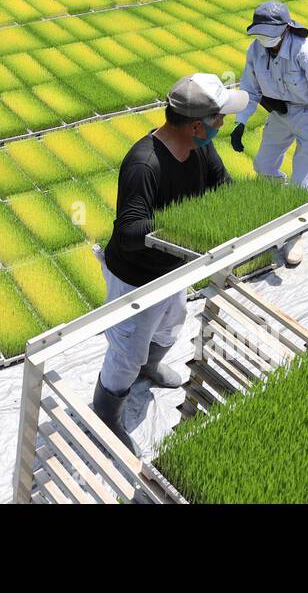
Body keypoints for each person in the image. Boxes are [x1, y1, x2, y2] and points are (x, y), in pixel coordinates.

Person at [91, 73, 248, 453]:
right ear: (197, 125)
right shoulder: (144, 164)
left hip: (174, 267)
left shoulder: (200, 149)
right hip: (136, 277)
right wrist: (184, 224)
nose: (222, 125)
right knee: (126, 350)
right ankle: (105, 413)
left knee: (172, 322)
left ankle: (150, 367)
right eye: (218, 119)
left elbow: (223, 187)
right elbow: (129, 233)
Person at [229, 0, 308, 266]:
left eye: (269, 33)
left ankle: (295, 233)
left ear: (286, 28)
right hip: (280, 113)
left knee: (302, 180)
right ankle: (277, 205)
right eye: (259, 32)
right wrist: (241, 122)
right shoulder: (255, 50)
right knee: (263, 165)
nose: (263, 39)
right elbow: (251, 88)